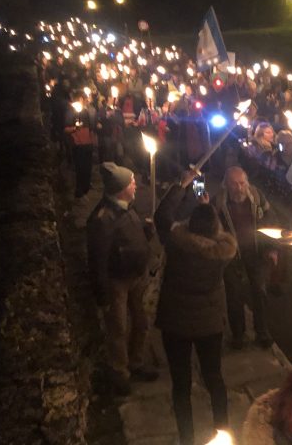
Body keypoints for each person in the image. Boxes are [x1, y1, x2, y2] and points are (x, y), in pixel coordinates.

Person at [154, 170, 237, 445]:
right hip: (209, 322)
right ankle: (222, 430)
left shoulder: (177, 243)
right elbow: (221, 230)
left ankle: (187, 438)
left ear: (190, 225)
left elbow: (162, 216)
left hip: (175, 322)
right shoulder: (221, 254)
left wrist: (181, 185)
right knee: (214, 377)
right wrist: (210, 208)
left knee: (181, 384)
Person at [86, 163, 156, 395]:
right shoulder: (102, 219)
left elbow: (132, 238)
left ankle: (136, 362)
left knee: (141, 321)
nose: (135, 184)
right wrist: (102, 294)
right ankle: (120, 372)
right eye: (131, 182)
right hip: (118, 281)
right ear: (120, 189)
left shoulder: (128, 207)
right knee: (118, 327)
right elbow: (98, 259)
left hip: (137, 276)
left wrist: (146, 232)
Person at [214, 166, 279, 349]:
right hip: (231, 255)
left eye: (242, 183)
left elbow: (271, 221)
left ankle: (262, 331)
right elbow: (210, 228)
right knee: (234, 295)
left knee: (259, 291)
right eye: (234, 184)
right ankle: (238, 335)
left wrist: (273, 248)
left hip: (256, 252)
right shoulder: (219, 202)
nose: (239, 188)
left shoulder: (257, 197)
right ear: (226, 184)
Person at [65, 92, 97, 200]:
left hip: (87, 143)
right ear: (80, 99)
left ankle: (86, 188)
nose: (87, 100)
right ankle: (79, 192)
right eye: (85, 98)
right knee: (80, 168)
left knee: (87, 168)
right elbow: (66, 128)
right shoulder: (71, 111)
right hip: (78, 144)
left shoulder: (86, 111)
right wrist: (75, 128)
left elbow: (90, 128)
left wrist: (92, 140)